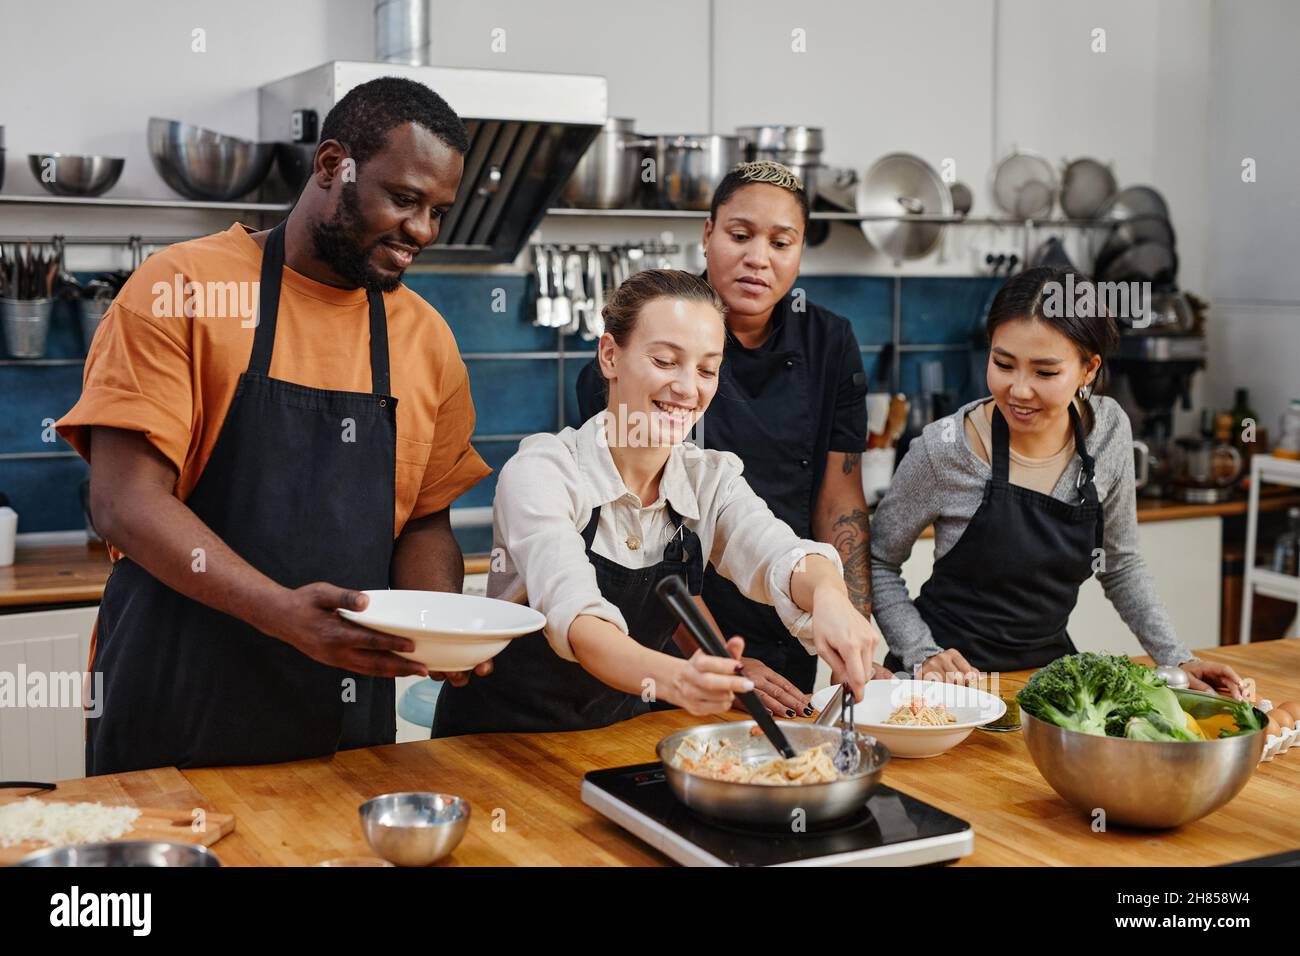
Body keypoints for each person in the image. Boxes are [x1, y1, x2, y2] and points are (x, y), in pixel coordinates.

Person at [55, 77, 495, 775]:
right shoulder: (181, 289)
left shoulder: (426, 338)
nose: (422, 231)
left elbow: (423, 519)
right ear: (331, 165)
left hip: (344, 716)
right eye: (404, 199)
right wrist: (283, 613)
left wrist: (440, 623)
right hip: (176, 697)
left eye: (437, 210)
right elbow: (124, 501)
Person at [433, 270, 878, 737]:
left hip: (610, 739)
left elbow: (778, 554)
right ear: (610, 356)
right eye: (666, 361)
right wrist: (681, 678)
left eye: (707, 369)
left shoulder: (709, 479)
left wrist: (830, 597)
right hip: (496, 743)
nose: (689, 388)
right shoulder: (544, 471)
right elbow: (580, 621)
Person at [574, 161, 883, 713]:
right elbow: (653, 545)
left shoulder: (830, 342)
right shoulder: (626, 379)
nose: (757, 258)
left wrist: (848, 621)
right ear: (708, 234)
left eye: (781, 241)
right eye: (740, 235)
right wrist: (723, 663)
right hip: (664, 644)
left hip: (791, 623)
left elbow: (835, 505)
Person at [869, 266, 1244, 697]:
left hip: (1045, 688)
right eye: (1002, 363)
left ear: (1088, 370)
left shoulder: (1108, 432)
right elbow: (877, 561)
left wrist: (1178, 659)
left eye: (1045, 372)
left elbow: (1120, 565)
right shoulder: (946, 449)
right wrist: (922, 652)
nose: (1019, 390)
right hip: (941, 690)